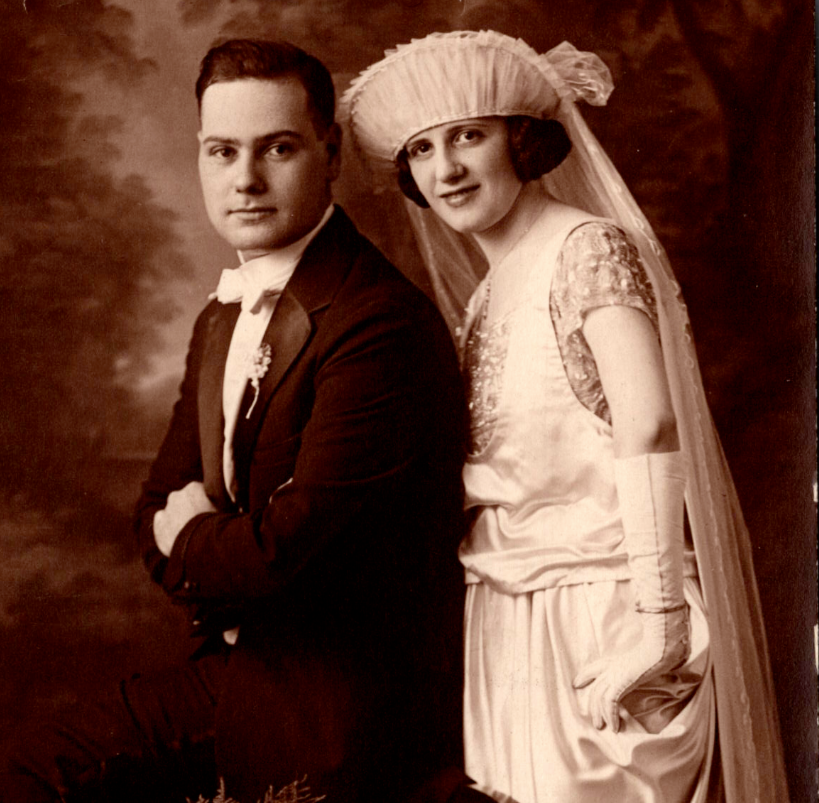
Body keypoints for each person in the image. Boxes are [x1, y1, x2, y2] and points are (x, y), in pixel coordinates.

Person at [0, 39, 494, 803]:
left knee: (34, 772)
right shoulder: (220, 317)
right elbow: (151, 511)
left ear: (329, 155)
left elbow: (279, 551)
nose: (244, 180)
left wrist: (195, 541)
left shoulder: (377, 324)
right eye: (221, 151)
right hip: (245, 668)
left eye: (278, 149)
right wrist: (207, 552)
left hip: (333, 704)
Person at [342, 30, 788, 803]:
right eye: (420, 150)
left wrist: (657, 624)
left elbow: (649, 423)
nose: (444, 169)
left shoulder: (586, 248)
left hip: (604, 606)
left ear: (519, 140)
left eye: (467, 137)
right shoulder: (486, 293)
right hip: (509, 620)